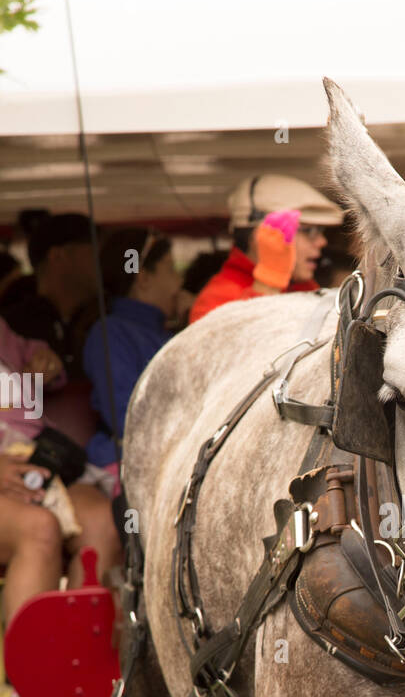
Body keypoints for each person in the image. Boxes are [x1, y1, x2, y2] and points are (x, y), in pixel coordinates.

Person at [0, 315, 122, 697]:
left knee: (102, 520)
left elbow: (36, 360)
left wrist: (42, 358)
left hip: (35, 458)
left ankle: (88, 675)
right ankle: (28, 689)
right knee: (39, 528)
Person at [83, 228, 180, 480]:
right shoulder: (110, 332)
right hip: (128, 461)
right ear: (143, 277)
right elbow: (125, 417)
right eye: (171, 269)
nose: (179, 282)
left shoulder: (165, 333)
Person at [189, 174, 344, 324]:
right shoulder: (215, 300)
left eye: (320, 231)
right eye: (308, 231)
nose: (322, 241)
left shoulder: (303, 288)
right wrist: (270, 282)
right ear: (262, 236)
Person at [0, 213, 99, 380]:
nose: (100, 259)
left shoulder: (107, 317)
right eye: (93, 248)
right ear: (57, 255)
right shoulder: (12, 327)